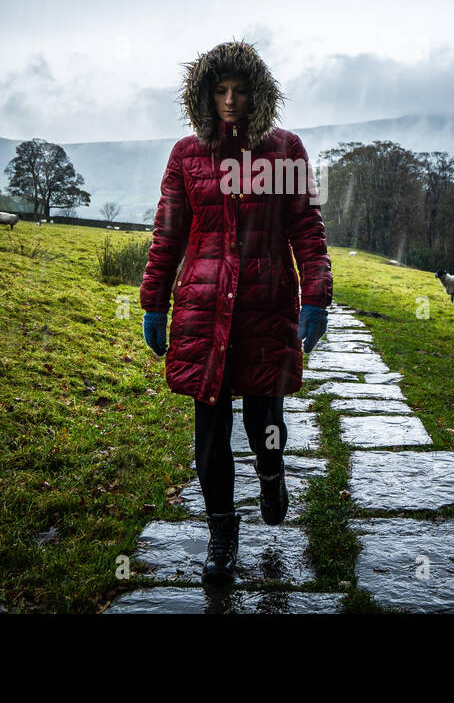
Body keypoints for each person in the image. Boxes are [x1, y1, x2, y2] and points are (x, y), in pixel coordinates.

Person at [139, 40, 332, 584]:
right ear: (203, 95)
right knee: (210, 432)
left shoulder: (285, 149)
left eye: (240, 90)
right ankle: (222, 535)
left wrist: (316, 293)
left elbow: (306, 230)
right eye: (219, 91)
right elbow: (168, 234)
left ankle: (271, 473)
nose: (230, 101)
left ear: (258, 93)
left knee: (263, 422)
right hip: (202, 310)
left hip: (266, 306)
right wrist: (154, 300)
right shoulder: (185, 155)